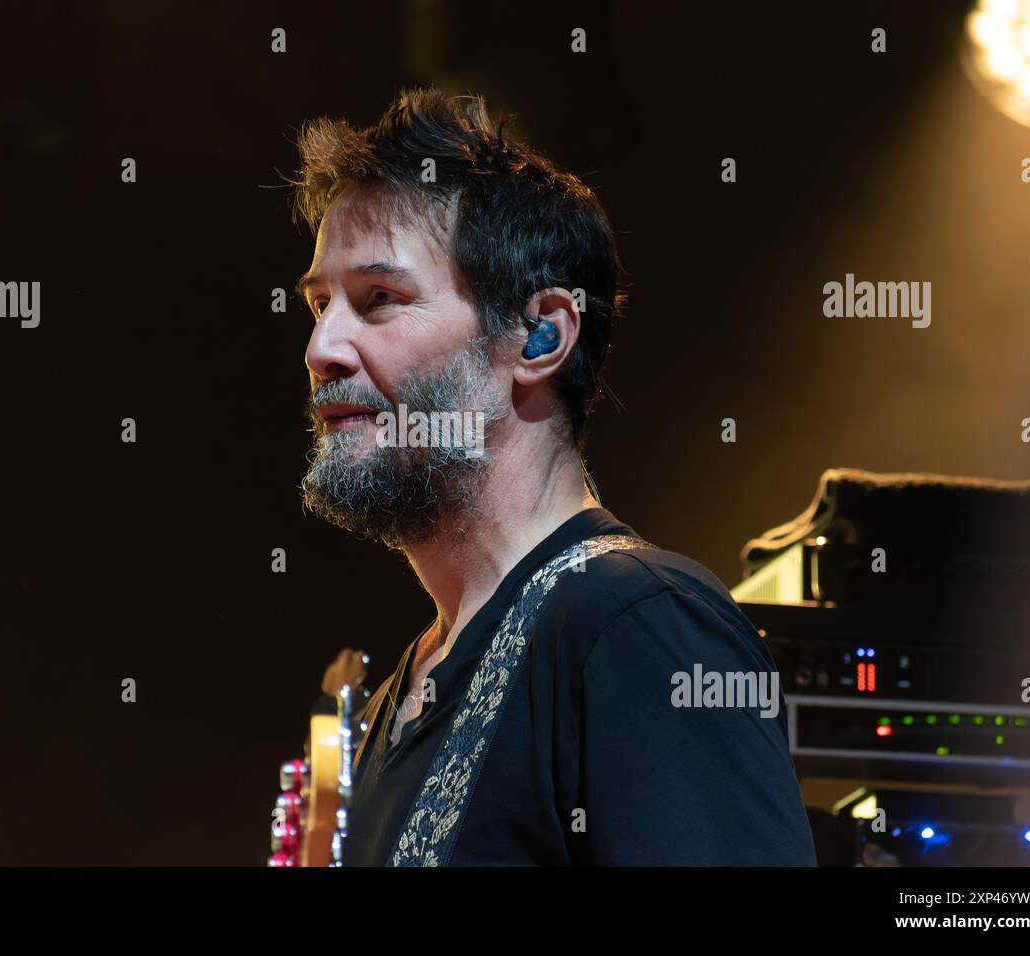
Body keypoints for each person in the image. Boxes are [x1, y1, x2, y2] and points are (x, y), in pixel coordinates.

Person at [288, 87, 816, 866]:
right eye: (320, 303)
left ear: (539, 337)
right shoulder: (409, 689)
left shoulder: (639, 625)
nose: (322, 347)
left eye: (379, 300)